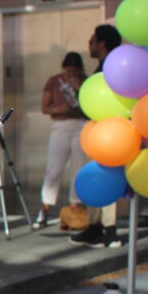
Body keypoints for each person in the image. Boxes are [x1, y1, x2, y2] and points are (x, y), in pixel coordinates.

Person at [71, 24, 123, 248]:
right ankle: (95, 226)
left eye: (92, 41)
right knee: (96, 174)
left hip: (108, 131)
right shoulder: (105, 65)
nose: (89, 45)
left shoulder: (111, 66)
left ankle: (110, 230)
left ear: (102, 43)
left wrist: (80, 87)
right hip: (98, 130)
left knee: (108, 174)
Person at [32, 52, 89, 230]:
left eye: (75, 70)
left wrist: (79, 87)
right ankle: (45, 208)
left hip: (81, 125)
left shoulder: (85, 81)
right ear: (63, 67)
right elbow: (45, 107)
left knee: (78, 168)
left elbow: (90, 104)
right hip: (60, 126)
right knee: (54, 168)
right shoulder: (54, 81)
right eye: (68, 69)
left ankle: (74, 210)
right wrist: (60, 108)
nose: (71, 73)